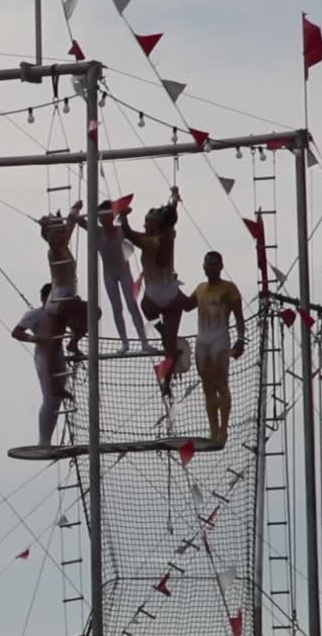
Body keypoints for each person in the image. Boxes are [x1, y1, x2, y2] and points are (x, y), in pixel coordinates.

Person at [120, 187, 188, 394]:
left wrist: (123, 216)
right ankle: (167, 377)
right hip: (171, 293)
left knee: (148, 311)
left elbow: (128, 234)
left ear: (155, 226)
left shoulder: (150, 241)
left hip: (154, 295)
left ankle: (167, 343)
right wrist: (174, 199)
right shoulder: (169, 234)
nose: (144, 225)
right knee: (169, 343)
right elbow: (170, 219)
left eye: (147, 223)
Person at [73, 199, 154, 354]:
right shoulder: (97, 232)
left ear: (111, 216)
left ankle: (144, 343)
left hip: (124, 273)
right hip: (109, 275)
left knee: (132, 306)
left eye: (107, 216)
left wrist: (123, 213)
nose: (104, 220)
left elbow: (128, 212)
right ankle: (124, 343)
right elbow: (79, 221)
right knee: (117, 309)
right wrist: (76, 209)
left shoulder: (120, 230)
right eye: (101, 217)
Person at [186, 251, 246, 445]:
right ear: (203, 266)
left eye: (214, 264)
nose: (210, 267)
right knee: (207, 386)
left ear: (220, 266)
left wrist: (241, 338)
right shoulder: (200, 289)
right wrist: (172, 287)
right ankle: (213, 432)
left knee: (221, 382)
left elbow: (238, 315)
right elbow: (186, 306)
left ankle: (223, 430)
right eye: (207, 264)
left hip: (220, 338)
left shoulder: (229, 288)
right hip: (202, 340)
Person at [13, 283, 71, 447]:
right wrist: (35, 338)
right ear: (44, 299)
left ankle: (47, 439)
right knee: (50, 398)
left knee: (57, 399)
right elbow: (16, 332)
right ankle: (43, 441)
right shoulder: (35, 314)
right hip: (44, 356)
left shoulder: (61, 314)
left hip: (58, 354)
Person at [38, 202, 91, 357]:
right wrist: (48, 223)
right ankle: (70, 336)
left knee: (94, 313)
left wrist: (75, 210)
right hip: (57, 301)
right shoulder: (53, 250)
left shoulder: (63, 244)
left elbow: (69, 225)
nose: (62, 231)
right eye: (57, 229)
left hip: (68, 298)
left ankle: (73, 343)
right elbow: (53, 238)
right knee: (76, 307)